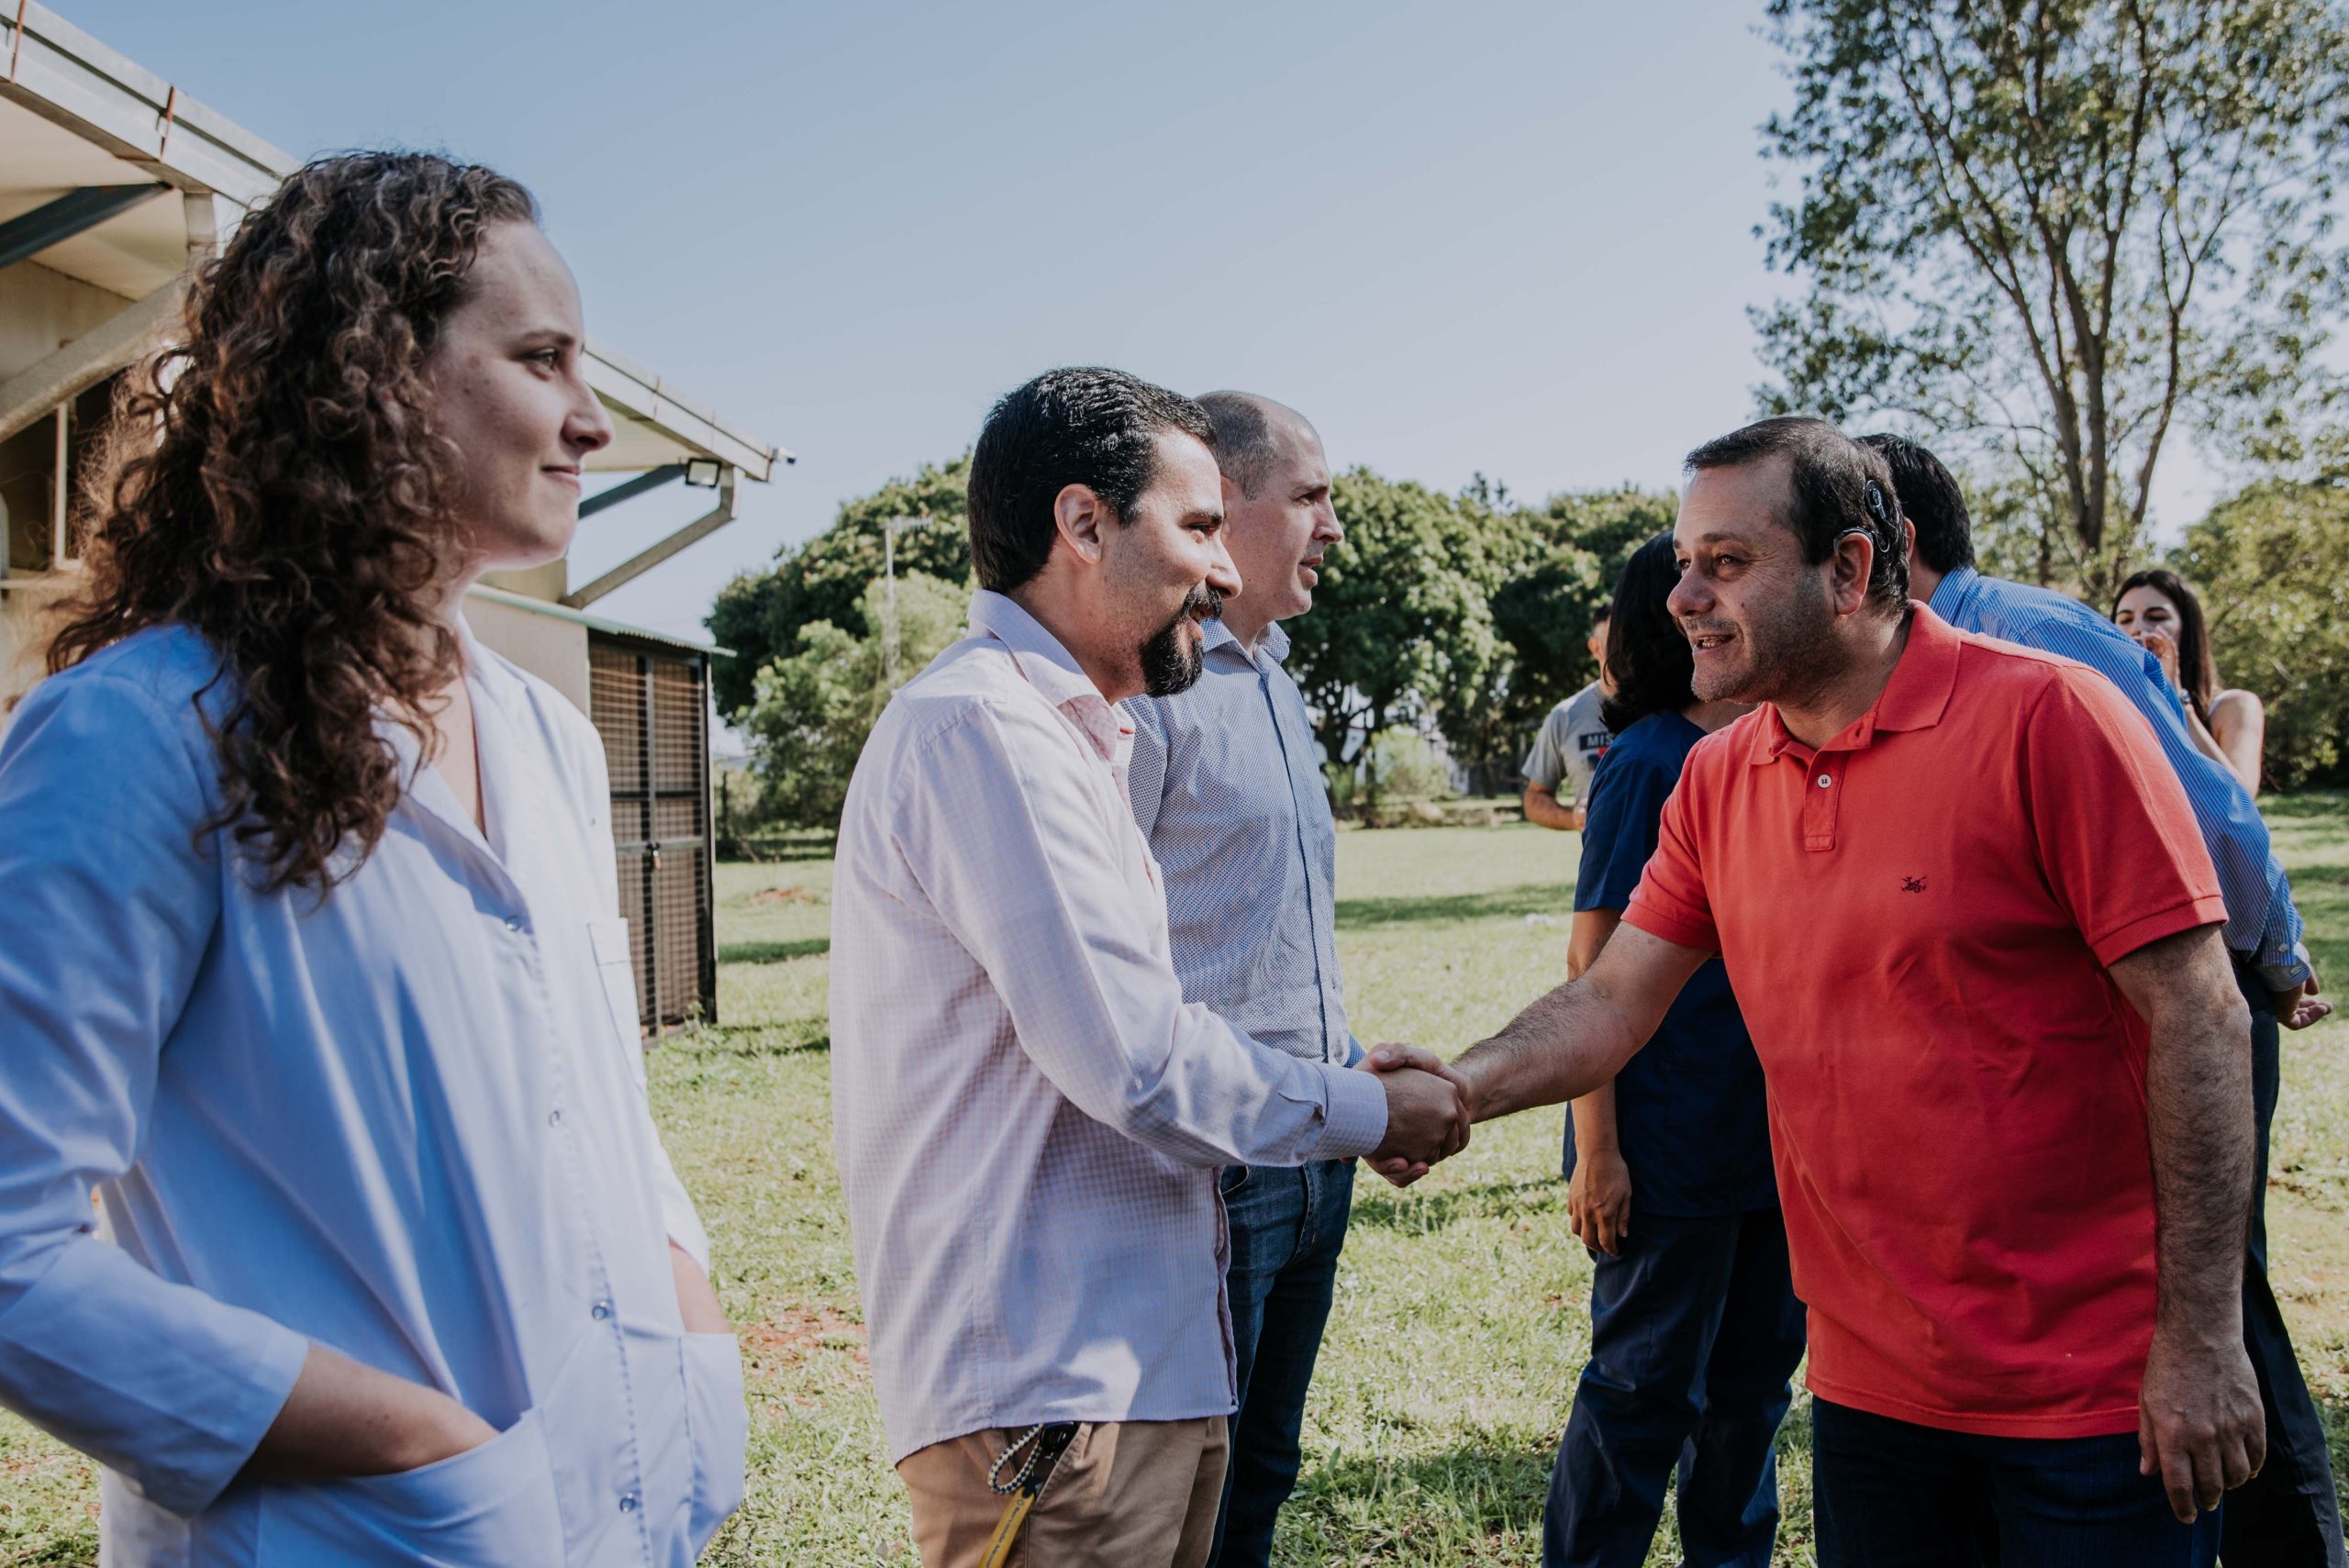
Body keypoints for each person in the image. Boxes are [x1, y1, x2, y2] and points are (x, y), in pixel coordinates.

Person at [0, 153, 743, 1565]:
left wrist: (685, 1318)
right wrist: (408, 1444)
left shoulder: (548, 737)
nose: (591, 420)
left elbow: (594, 1113)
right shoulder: (140, 735)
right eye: (542, 359)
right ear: (373, 376)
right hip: (363, 1528)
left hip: (615, 1510)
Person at [1438, 417, 2266, 1566]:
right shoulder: (1716, 775)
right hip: (1870, 1389)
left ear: (1850, 568)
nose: (1681, 596)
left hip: (2095, 1394)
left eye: (1726, 562)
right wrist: (1457, 1085)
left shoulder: (2050, 716)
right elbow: (1614, 996)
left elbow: (2203, 1016)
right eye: (1683, 562)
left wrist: (2200, 1336)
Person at [828, 367, 1470, 1568]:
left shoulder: (1074, 731)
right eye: (1198, 526)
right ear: (1083, 526)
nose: (1223, 572)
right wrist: (1369, 1105)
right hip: (1054, 1389)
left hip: (1142, 1368)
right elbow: (1136, 1057)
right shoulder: (986, 731)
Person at [1869, 434, 2343, 1568]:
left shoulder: (2035, 634)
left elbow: (2216, 810)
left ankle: (2294, 1546)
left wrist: (2264, 955)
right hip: (2085, 1018)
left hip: (2188, 990)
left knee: (2218, 1277)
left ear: (1897, 538)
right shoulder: (1907, 663)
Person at [1122, 391, 1356, 1568]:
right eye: (1311, 496)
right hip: (1216, 1169)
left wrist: (1358, 1073)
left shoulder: (1272, 678)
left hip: (1316, 1150)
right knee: (1189, 1488)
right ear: (1224, 502)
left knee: (1264, 1468)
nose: (1332, 525)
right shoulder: (1147, 690)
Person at [1543, 532, 1801, 1568]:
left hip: (1770, 1138)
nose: (1714, 596)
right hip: (1663, 1142)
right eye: (1698, 578)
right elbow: (1590, 960)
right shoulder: (1647, 759)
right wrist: (1596, 1146)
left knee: (1750, 1391)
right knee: (1643, 1388)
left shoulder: (1778, 743)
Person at [2114, 567, 2266, 795]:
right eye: (2125, 619)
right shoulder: (2115, 709)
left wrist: (2176, 700)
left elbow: (2242, 800)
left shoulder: (2235, 706)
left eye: (2156, 617)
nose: (2137, 629)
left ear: (2188, 628)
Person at [1522, 610, 1614, 831]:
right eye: (1615, 637)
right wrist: (1573, 818)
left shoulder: (1666, 709)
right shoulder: (1566, 715)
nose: (1627, 645)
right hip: (1599, 862)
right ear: (1595, 647)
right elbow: (1535, 797)